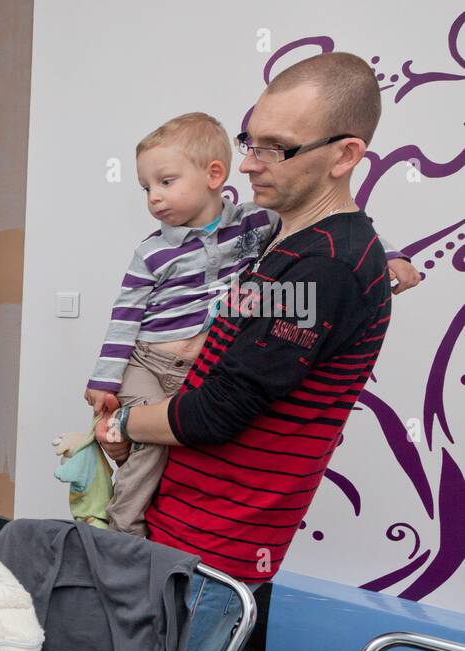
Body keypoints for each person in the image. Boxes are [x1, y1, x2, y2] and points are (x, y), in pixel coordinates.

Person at [95, 53, 409, 651]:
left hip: (222, 534)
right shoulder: (288, 242)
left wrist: (120, 424)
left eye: (277, 148)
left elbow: (214, 414)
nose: (249, 164)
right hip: (200, 520)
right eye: (250, 140)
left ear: (344, 156)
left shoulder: (321, 262)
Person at [83, 111, 417, 536]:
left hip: (196, 372)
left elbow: (337, 226)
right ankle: (122, 530)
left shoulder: (255, 222)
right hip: (148, 363)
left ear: (214, 174)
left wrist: (388, 252)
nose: (154, 197)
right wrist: (104, 380)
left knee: (174, 443)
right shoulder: (150, 253)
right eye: (146, 187)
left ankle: (141, 527)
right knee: (148, 448)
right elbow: (125, 316)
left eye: (166, 182)